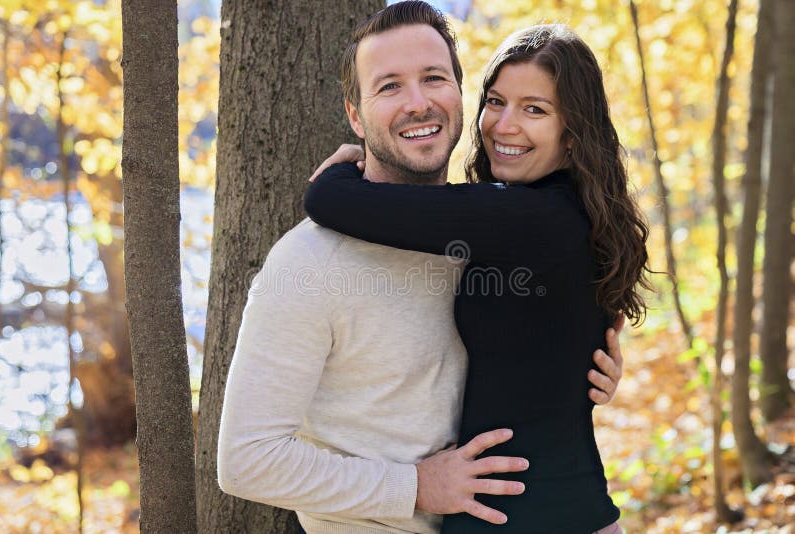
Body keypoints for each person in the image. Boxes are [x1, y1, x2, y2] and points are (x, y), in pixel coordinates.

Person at [218, 3, 625, 534]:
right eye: (389, 86)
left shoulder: (489, 231)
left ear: (458, 93)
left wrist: (583, 362)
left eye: (434, 78)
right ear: (356, 116)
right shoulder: (310, 263)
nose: (417, 103)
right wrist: (412, 487)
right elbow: (246, 460)